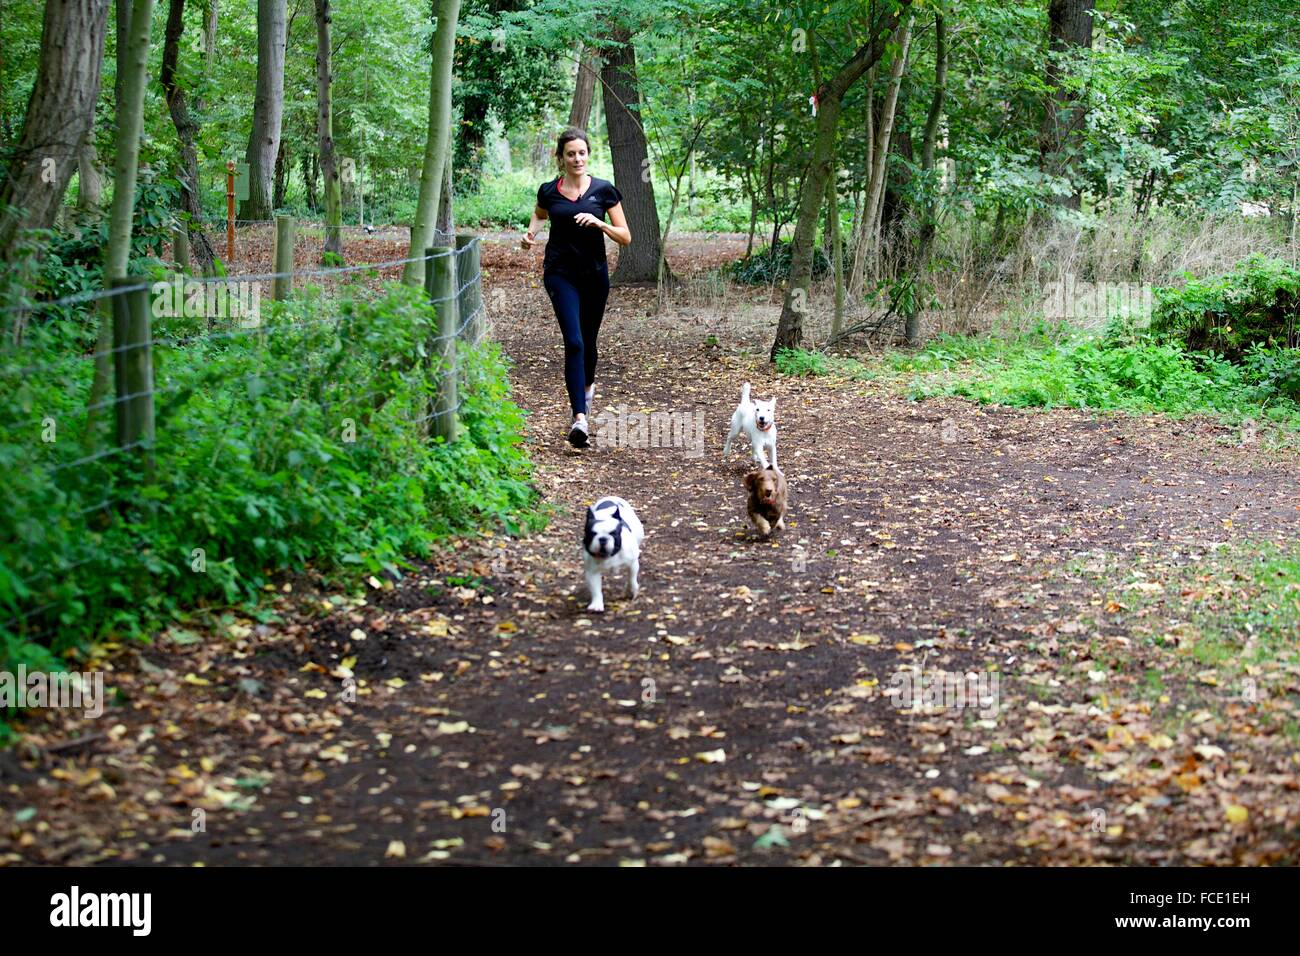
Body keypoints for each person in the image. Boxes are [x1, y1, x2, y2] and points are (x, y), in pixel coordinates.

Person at [522, 127, 632, 447]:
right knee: (573, 341)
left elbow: (625, 235)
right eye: (570, 153)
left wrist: (600, 223)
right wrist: (531, 234)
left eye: (581, 152)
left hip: (595, 276)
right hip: (560, 274)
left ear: (588, 155)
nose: (577, 158)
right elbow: (540, 214)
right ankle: (579, 419)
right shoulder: (549, 191)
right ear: (561, 158)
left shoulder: (603, 191)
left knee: (589, 343)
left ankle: (586, 389)